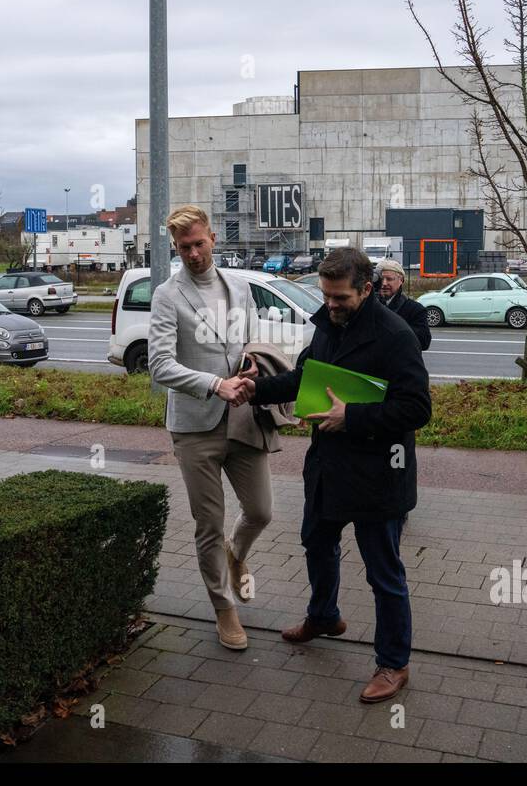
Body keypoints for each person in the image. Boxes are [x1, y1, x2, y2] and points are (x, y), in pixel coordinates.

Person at [247, 247, 432, 703]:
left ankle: (393, 664)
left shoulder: (395, 336)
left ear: (367, 290)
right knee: (316, 543)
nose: (330, 306)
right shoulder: (328, 324)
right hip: (328, 466)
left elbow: (416, 408)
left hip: (378, 474)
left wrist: (353, 416)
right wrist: (256, 389)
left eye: (340, 298)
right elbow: (302, 377)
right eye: (326, 297)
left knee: (383, 573)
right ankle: (324, 616)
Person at [148, 205, 274, 651]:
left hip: (242, 417)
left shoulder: (239, 287)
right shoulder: (167, 294)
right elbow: (159, 364)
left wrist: (252, 365)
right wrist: (215, 385)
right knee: (208, 524)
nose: (193, 254)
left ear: (214, 238)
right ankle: (224, 608)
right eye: (184, 248)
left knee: (260, 511)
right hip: (195, 427)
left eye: (199, 244)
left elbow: (251, 342)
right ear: (175, 248)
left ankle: (236, 555)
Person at [377, 259, 431, 351]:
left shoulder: (416, 310)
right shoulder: (368, 306)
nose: (384, 283)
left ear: (401, 280)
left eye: (389, 279)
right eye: (381, 279)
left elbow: (424, 342)